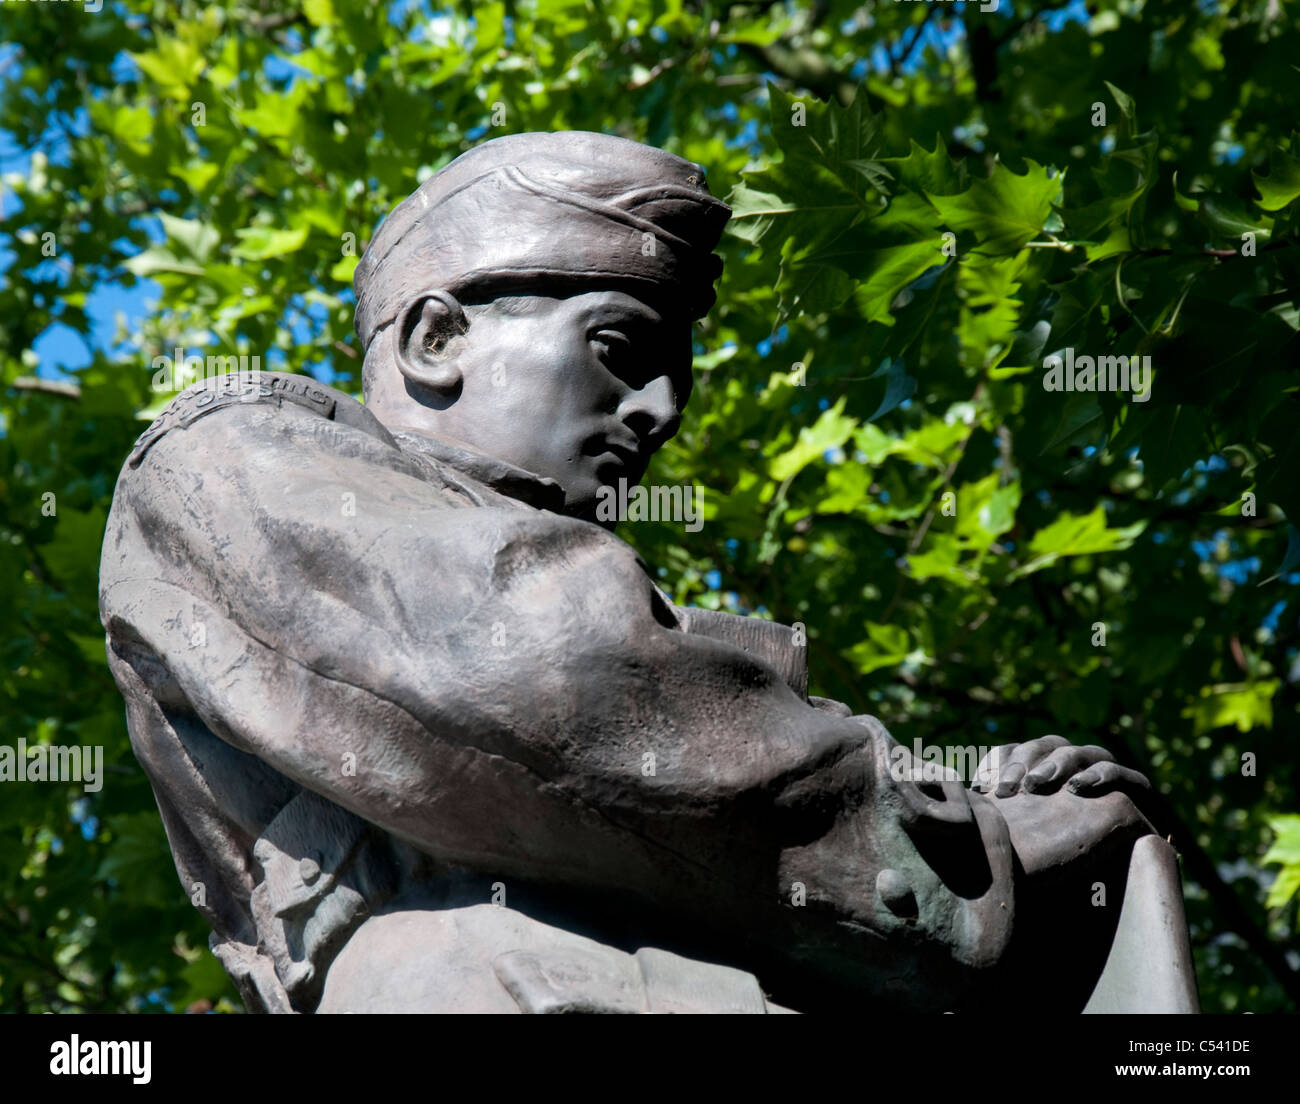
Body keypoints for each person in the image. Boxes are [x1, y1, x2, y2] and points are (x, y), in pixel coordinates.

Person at [100, 131, 1159, 1014]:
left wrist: (975, 799)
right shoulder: (230, 452)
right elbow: (546, 685)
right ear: (436, 336)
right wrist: (964, 853)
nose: (659, 415)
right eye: (618, 346)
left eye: (675, 382)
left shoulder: (604, 597)